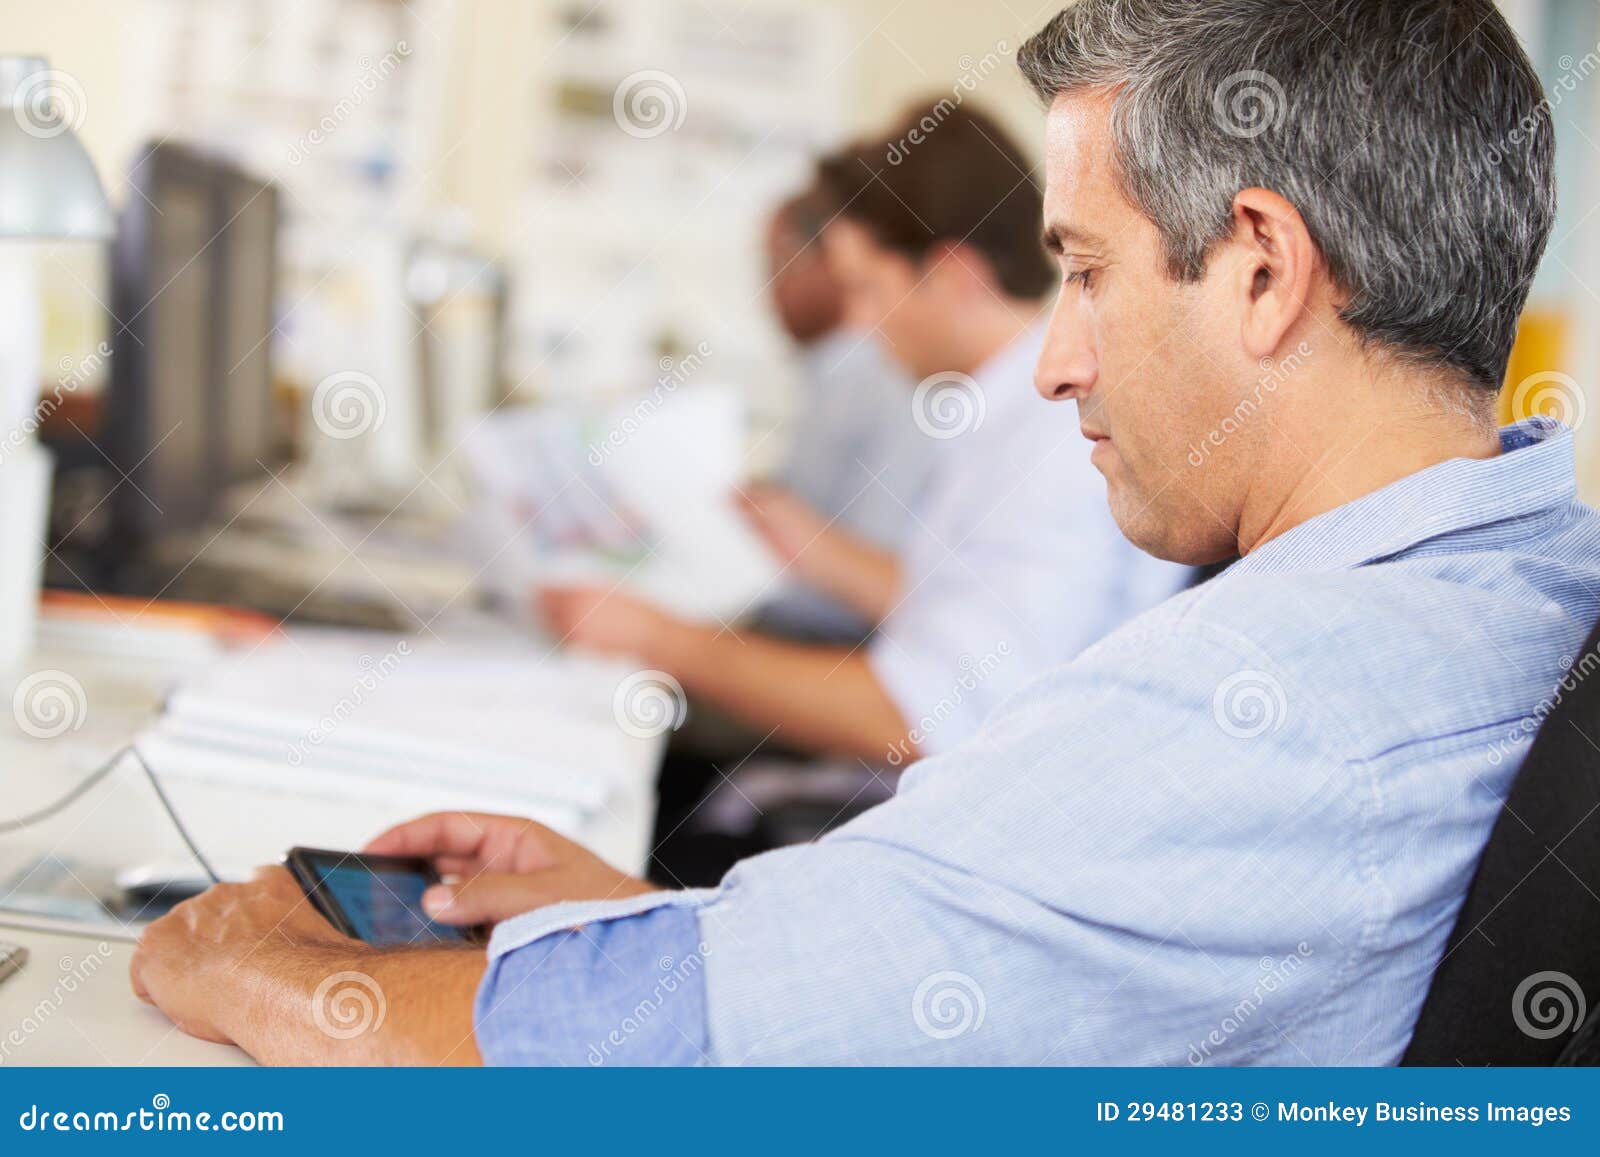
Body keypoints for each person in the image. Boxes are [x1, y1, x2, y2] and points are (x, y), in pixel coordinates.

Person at [131, 0, 1600, 1065]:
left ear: (1264, 270)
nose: (1055, 360)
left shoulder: (1254, 703)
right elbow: (1051, 943)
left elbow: (630, 1061)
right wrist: (643, 914)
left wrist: (257, 966)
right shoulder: (1513, 579)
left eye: (1087, 274)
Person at [541, 104, 1184, 767]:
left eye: (870, 289)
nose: (859, 321)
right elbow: (961, 606)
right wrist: (816, 549)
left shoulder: (1057, 446)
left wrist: (661, 639)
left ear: (955, 275)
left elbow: (922, 715)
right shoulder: (1003, 416)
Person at [755, 187, 934, 642]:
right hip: (796, 619)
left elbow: (881, 578)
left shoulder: (882, 378)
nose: (770, 288)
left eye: (781, 262)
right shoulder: (825, 374)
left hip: (840, 641)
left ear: (831, 261)